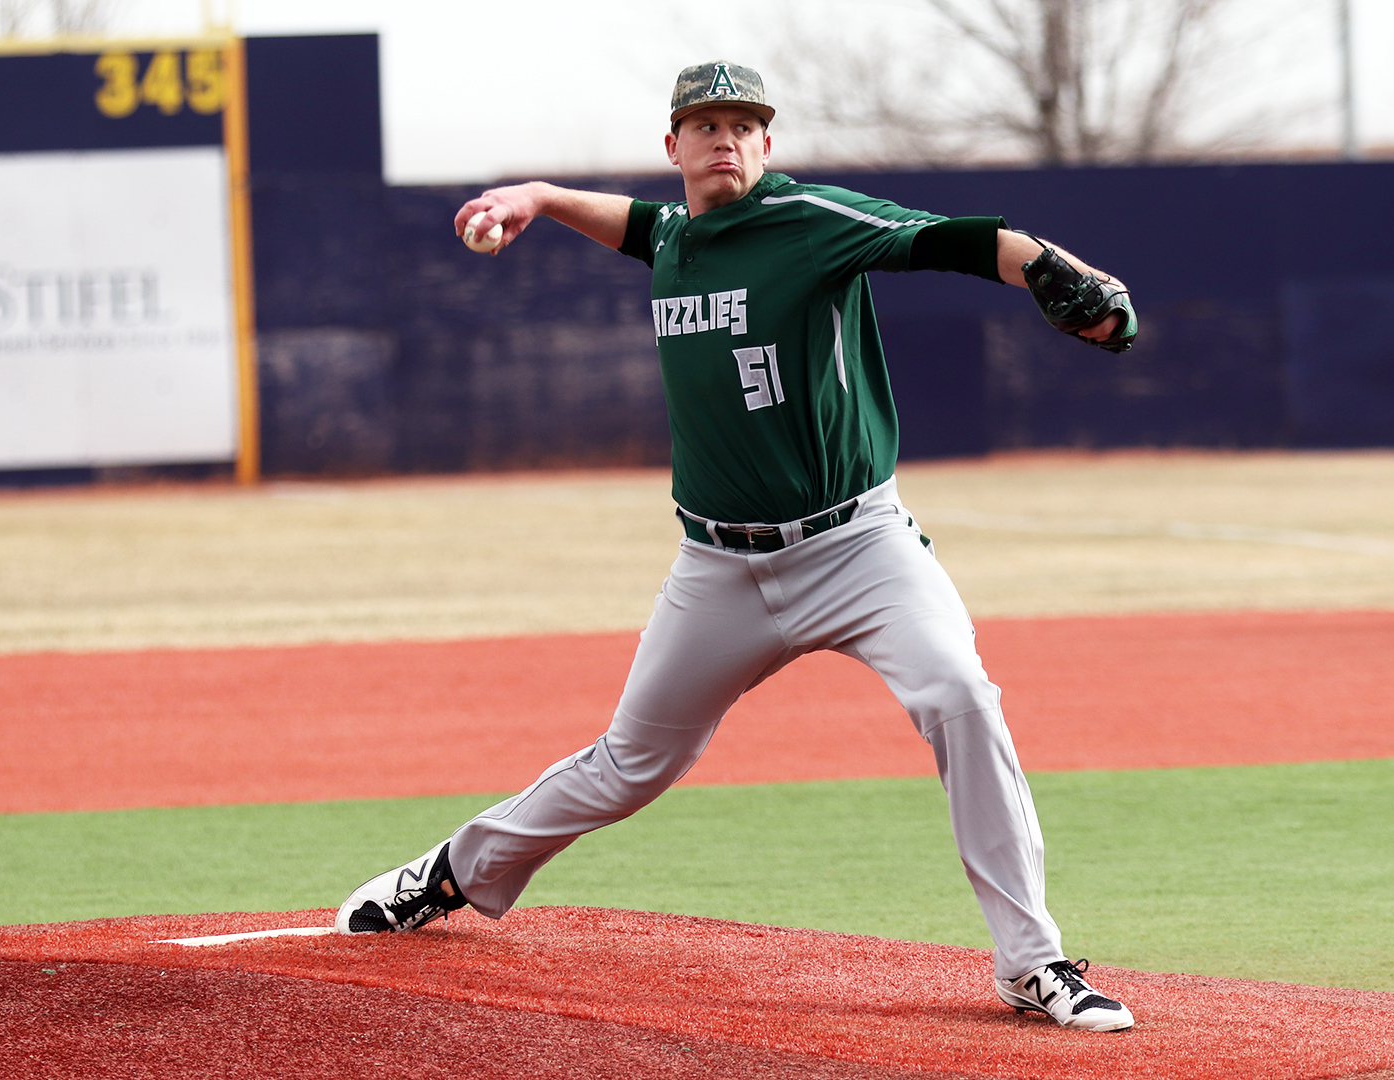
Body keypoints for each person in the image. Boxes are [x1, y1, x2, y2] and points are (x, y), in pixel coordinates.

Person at [335, 61, 1139, 1032]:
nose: (725, 138)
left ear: (768, 143)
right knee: (630, 763)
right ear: (671, 145)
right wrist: (539, 197)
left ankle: (1032, 961)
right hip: (717, 569)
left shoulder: (807, 222)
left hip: (858, 549)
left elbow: (946, 240)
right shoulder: (675, 240)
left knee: (960, 695)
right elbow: (635, 226)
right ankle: (457, 872)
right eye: (703, 123)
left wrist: (1052, 267)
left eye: (743, 123)